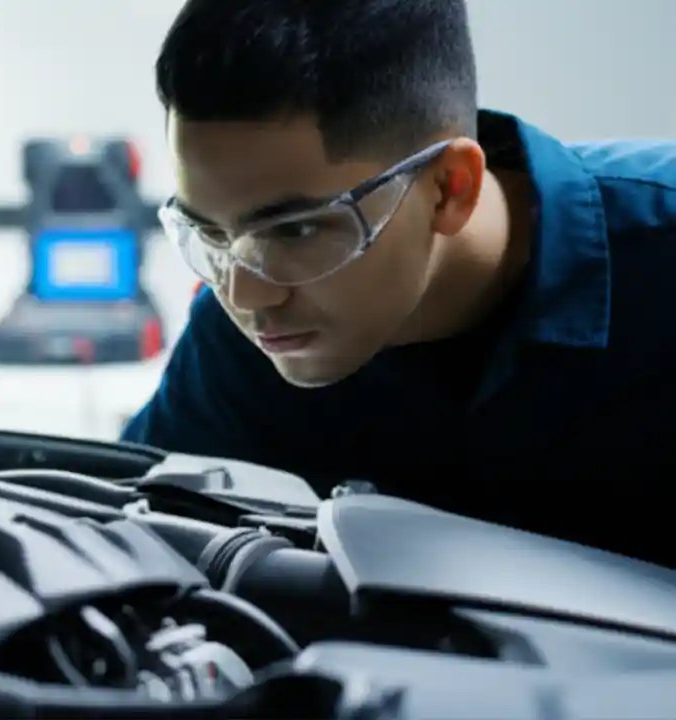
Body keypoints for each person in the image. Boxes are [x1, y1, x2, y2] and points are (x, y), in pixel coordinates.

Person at [121, 0, 676, 566]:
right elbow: (118, 535)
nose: (246, 295)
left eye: (298, 229)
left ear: (449, 188)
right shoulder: (236, 342)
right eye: (209, 232)